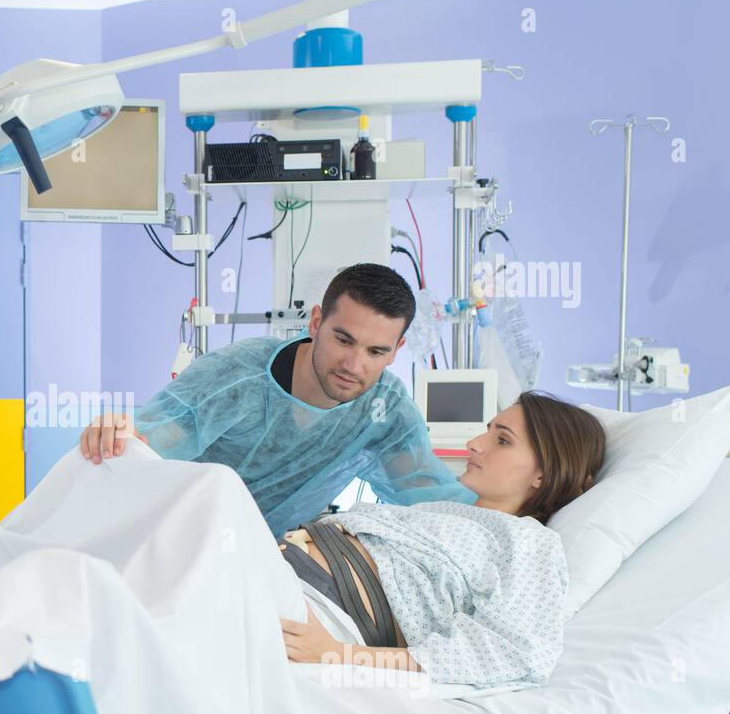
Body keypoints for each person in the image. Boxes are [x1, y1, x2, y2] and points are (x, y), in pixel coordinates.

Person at [80, 263, 475, 536]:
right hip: (176, 540)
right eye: (343, 339)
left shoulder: (384, 411)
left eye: (376, 352)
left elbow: (432, 500)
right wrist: (119, 435)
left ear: (397, 349)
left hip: (266, 562)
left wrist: (523, 510)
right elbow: (147, 446)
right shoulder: (235, 377)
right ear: (317, 321)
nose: (354, 365)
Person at [279, 391, 606, 686]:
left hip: (323, 607)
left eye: (502, 440)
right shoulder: (446, 512)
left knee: (225, 486)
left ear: (544, 474)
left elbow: (513, 651)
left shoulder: (528, 542)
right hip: (289, 569)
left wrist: (338, 654)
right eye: (488, 430)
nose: (475, 443)